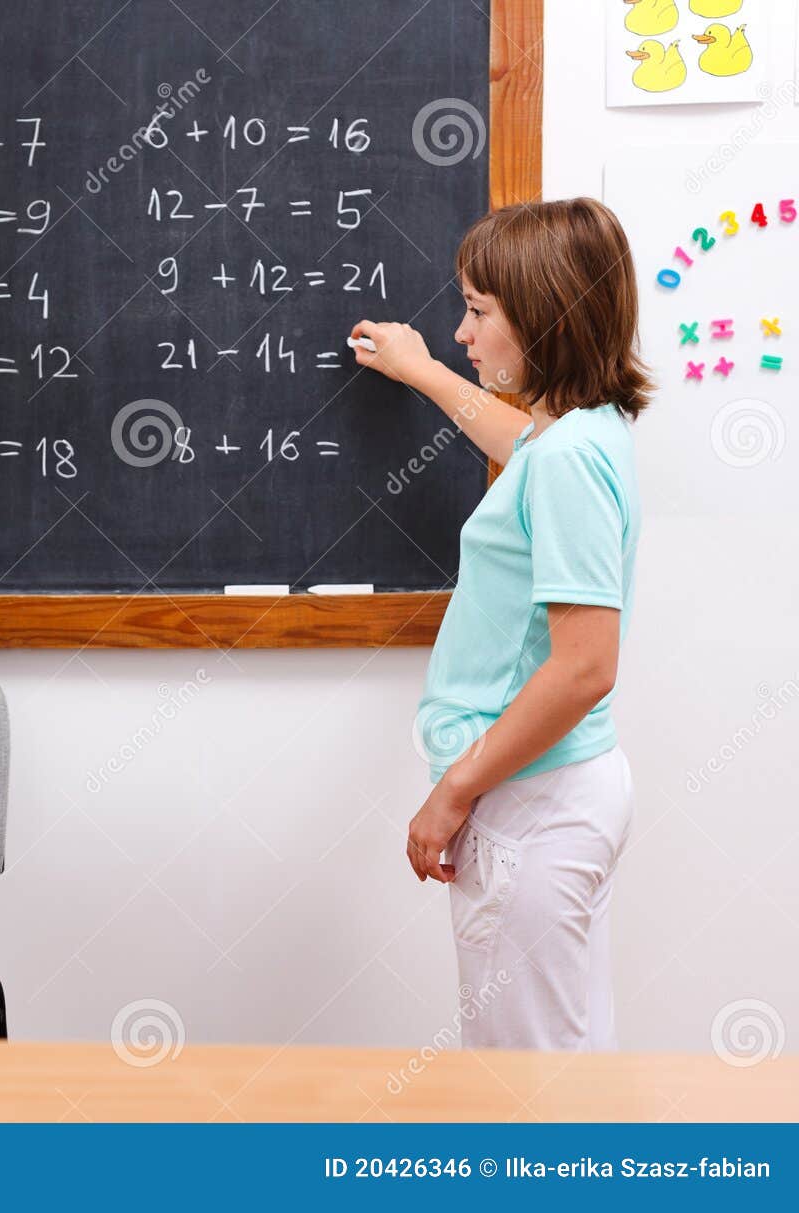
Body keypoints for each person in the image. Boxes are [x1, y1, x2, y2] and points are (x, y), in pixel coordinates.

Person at [351, 197, 650, 1050]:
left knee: (522, 1086)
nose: (461, 332)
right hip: (557, 788)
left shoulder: (568, 461)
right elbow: (520, 440)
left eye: (480, 310)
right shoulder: (584, 435)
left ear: (545, 316)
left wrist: (452, 792)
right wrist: (421, 375)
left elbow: (585, 666)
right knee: (562, 1053)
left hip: (530, 800)